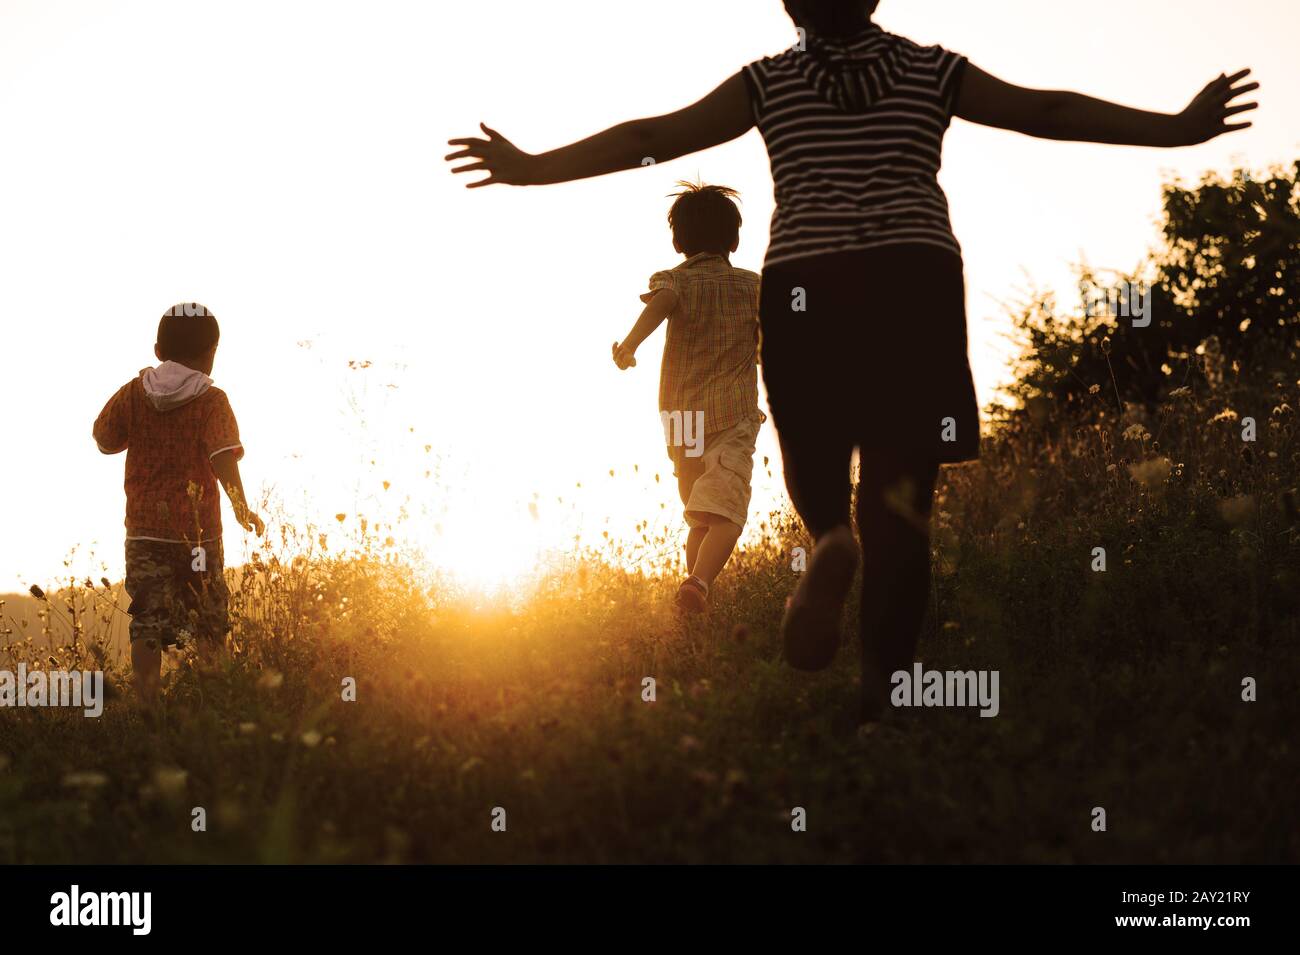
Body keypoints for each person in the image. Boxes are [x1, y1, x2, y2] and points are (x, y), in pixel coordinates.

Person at [446, 0, 1258, 721]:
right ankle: (884, 689)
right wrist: (1178, 127)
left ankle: (829, 537)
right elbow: (1043, 111)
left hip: (810, 284)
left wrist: (532, 168)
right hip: (916, 276)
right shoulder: (931, 69)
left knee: (815, 455)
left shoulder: (766, 83)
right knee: (901, 497)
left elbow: (651, 138)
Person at [93, 303, 264, 706]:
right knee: (207, 619)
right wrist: (241, 507)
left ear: (157, 350)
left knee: (148, 621)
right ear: (212, 353)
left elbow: (104, 439)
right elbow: (222, 457)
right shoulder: (211, 400)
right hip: (199, 539)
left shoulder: (134, 394)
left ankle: (149, 709)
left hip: (145, 534)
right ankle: (214, 703)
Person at [611, 182, 762, 613]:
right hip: (732, 418)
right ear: (734, 239)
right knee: (727, 512)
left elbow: (662, 304)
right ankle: (697, 583)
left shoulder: (675, 280)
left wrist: (628, 347)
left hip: (682, 422)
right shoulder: (754, 287)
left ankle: (692, 607)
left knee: (700, 513)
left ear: (678, 242)